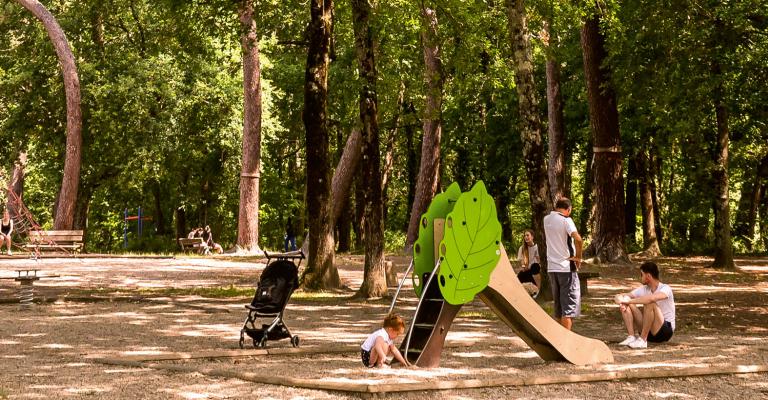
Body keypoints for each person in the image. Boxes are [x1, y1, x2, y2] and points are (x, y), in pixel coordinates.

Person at [615, 261, 676, 349]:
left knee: (650, 302)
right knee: (627, 300)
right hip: (649, 331)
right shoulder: (644, 289)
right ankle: (631, 337)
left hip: (664, 331)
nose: (641, 277)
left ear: (648, 276)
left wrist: (628, 301)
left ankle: (643, 340)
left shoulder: (666, 288)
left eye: (642, 274)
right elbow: (622, 295)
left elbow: (651, 299)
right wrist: (622, 301)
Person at [543, 197, 583, 331]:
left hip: (552, 267)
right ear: (569, 209)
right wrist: (578, 257)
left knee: (558, 306)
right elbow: (578, 239)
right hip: (566, 267)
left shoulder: (546, 219)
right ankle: (567, 340)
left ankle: (559, 338)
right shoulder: (566, 220)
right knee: (568, 308)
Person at [516, 229, 541, 296]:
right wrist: (523, 266)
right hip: (526, 269)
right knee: (519, 277)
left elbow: (539, 261)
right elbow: (521, 261)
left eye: (527, 235)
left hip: (534, 270)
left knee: (535, 266)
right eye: (525, 236)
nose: (526, 237)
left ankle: (539, 289)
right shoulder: (522, 248)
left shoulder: (537, 247)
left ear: (532, 237)